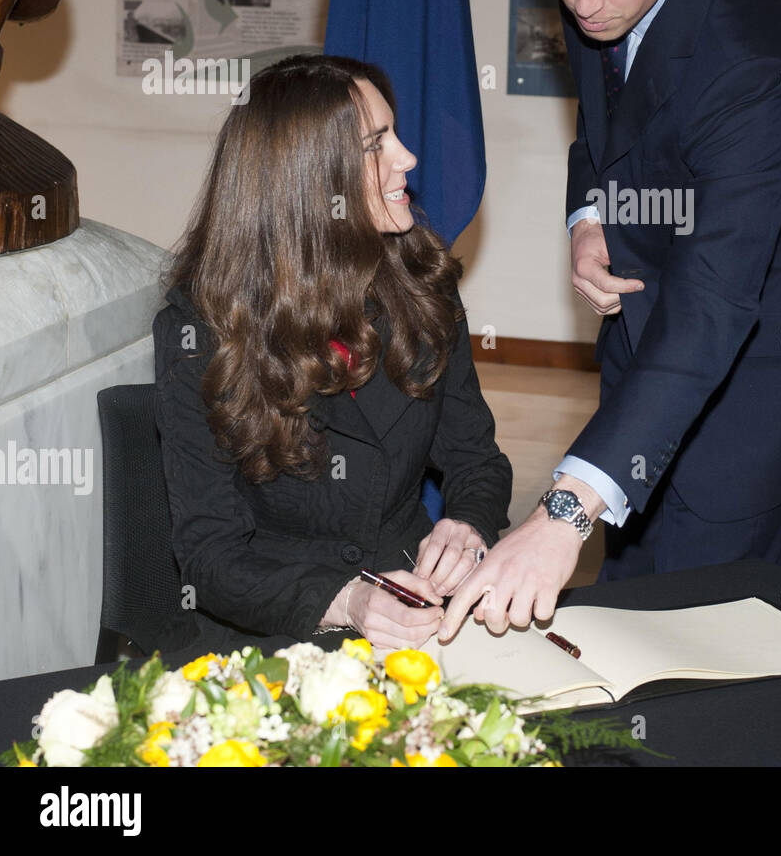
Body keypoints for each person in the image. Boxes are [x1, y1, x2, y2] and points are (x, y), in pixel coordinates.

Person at [441, 0, 781, 641]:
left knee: (701, 660)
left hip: (744, 383)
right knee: (614, 626)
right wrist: (588, 213)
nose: (585, 4)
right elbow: (603, 129)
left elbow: (713, 303)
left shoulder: (756, 64)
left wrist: (562, 510)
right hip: (640, 351)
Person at [153, 55, 512, 652]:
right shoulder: (203, 331)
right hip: (278, 627)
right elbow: (209, 558)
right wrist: (346, 600)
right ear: (310, 183)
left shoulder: (423, 283)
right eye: (376, 145)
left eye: (394, 133)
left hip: (417, 607)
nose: (408, 159)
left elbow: (476, 458)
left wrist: (466, 524)